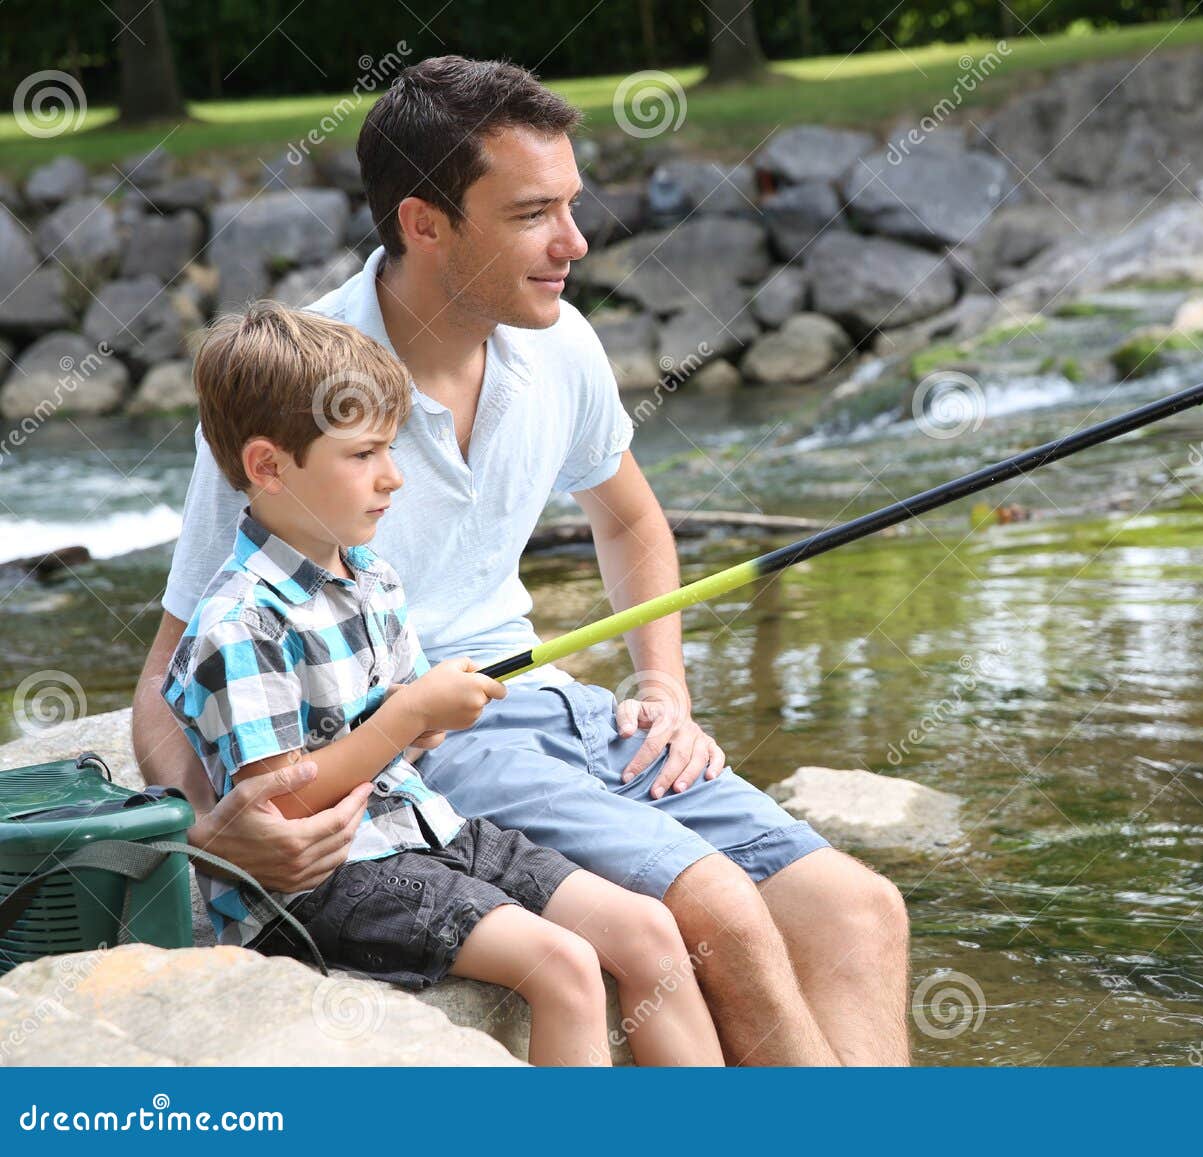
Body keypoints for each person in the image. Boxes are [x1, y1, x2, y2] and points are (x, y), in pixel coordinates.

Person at [133, 54, 908, 1066]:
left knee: (861, 906)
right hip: (432, 744)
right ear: (425, 222)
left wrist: (662, 684)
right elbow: (167, 670)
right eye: (532, 213)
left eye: (572, 206)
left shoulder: (560, 344)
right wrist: (208, 825)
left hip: (552, 703)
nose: (575, 243)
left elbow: (630, 521)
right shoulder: (294, 389)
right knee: (721, 904)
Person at [161, 303, 724, 1067]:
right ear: (267, 466)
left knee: (651, 930)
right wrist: (409, 717)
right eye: (363, 455)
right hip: (327, 881)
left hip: (427, 827)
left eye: (390, 449)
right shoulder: (237, 624)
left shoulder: (373, 578)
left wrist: (433, 712)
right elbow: (283, 804)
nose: (392, 476)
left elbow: (405, 730)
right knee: (565, 966)